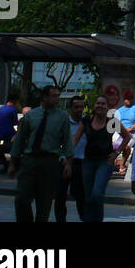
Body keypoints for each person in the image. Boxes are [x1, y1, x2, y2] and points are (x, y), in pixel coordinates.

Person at [9, 86, 75, 223]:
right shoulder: (31, 115)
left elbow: (67, 141)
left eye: (58, 96)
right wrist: (13, 163)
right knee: (21, 198)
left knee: (44, 202)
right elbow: (20, 139)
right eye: (54, 96)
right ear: (44, 97)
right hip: (29, 159)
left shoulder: (62, 117)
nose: (57, 99)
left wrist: (68, 163)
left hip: (49, 161)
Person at [79, 95, 130, 223]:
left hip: (104, 161)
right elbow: (75, 138)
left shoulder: (111, 122)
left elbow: (127, 136)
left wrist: (116, 153)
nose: (100, 106)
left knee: (97, 194)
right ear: (94, 106)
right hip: (88, 161)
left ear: (108, 107)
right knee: (88, 196)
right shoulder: (87, 120)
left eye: (103, 104)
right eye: (98, 103)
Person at [53, 95, 88, 223]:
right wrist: (63, 158)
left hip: (81, 163)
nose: (79, 110)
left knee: (81, 197)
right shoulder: (64, 123)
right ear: (70, 108)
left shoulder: (88, 123)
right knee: (60, 196)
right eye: (76, 107)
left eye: (81, 107)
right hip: (65, 161)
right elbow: (57, 142)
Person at [115, 91, 135, 175]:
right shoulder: (120, 110)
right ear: (124, 100)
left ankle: (122, 165)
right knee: (113, 146)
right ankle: (113, 162)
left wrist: (131, 128)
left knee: (126, 147)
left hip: (132, 133)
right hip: (120, 133)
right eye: (127, 99)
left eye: (131, 99)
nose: (129, 101)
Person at [0, 91, 21, 171]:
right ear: (14, 101)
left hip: (1, 133)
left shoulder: (1, 109)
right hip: (10, 133)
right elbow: (15, 122)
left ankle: (6, 164)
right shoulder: (13, 110)